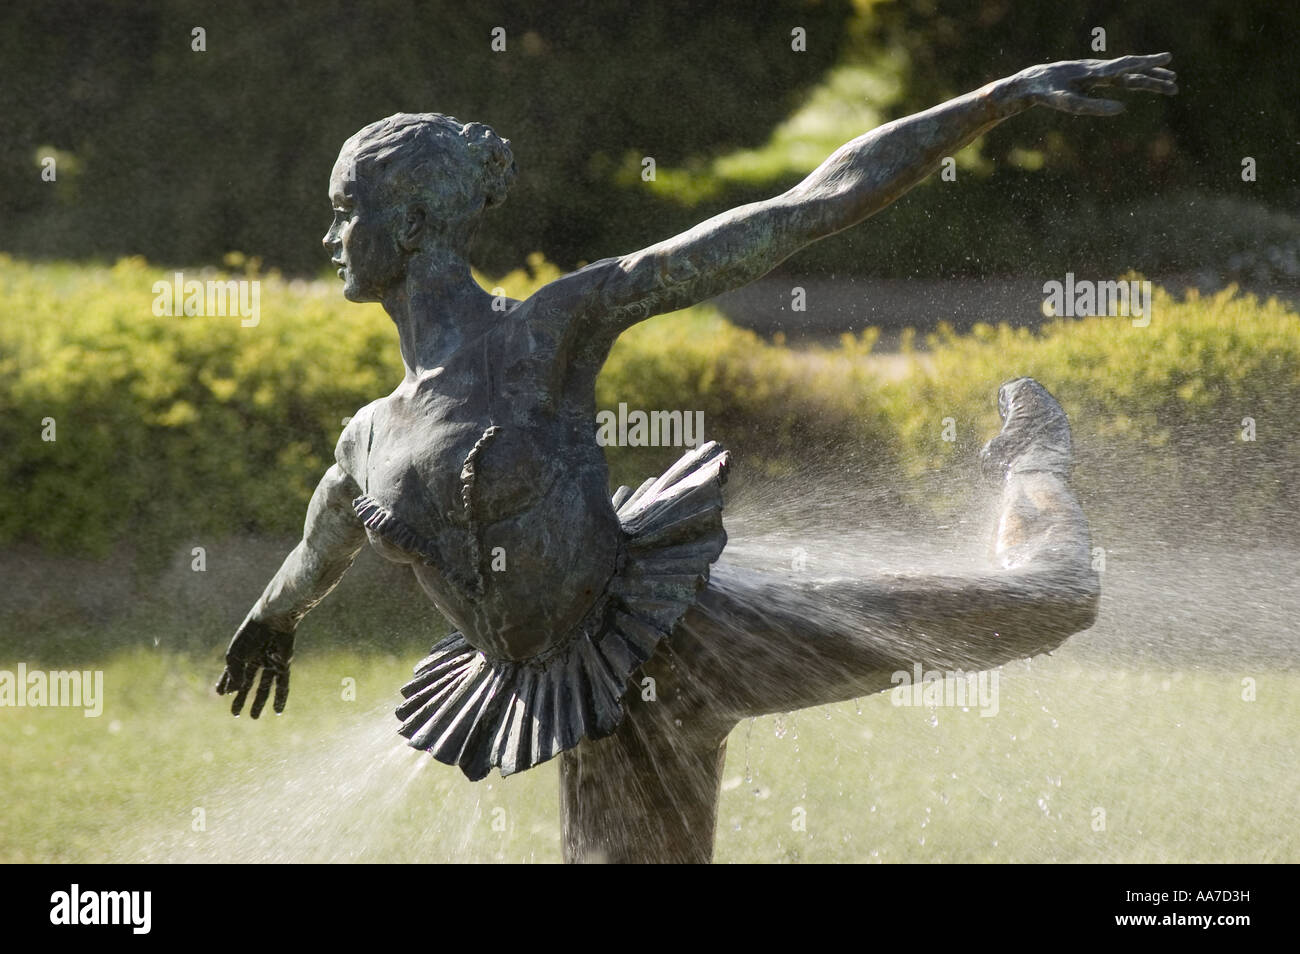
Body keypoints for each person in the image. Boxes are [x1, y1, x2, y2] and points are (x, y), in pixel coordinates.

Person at [217, 54, 1175, 862]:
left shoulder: (548, 332)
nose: (333, 236)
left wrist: (996, 99)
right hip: (585, 690)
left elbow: (802, 209)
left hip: (686, 629)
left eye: (348, 211)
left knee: (1054, 597)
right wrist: (273, 616)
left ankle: (1035, 461)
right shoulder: (370, 436)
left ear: (415, 219)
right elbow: (326, 535)